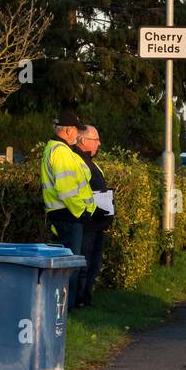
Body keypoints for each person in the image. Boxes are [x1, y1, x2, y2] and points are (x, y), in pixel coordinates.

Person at [42, 109, 96, 302]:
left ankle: (66, 308)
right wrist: (81, 212)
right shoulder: (61, 152)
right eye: (76, 130)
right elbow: (66, 189)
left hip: (65, 213)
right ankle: (67, 309)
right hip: (68, 214)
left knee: (70, 263)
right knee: (71, 265)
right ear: (68, 131)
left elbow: (81, 176)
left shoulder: (61, 150)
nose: (78, 134)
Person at [72, 124, 114, 307]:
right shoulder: (77, 161)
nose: (99, 143)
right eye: (95, 140)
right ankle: (79, 301)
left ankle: (86, 299)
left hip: (98, 223)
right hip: (87, 222)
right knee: (84, 263)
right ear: (83, 140)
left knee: (93, 264)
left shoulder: (90, 161)